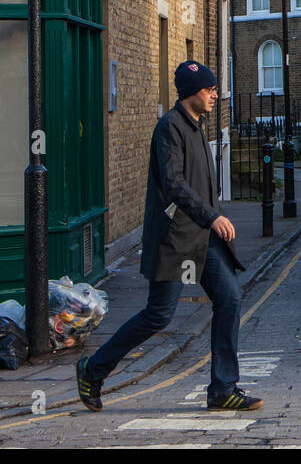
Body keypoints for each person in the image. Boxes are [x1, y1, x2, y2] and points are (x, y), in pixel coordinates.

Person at [77, 60, 263, 412]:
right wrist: (212, 217)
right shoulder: (170, 128)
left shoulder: (197, 125)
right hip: (176, 238)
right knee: (158, 315)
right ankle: (93, 368)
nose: (214, 94)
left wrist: (212, 216)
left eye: (213, 89)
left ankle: (223, 388)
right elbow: (175, 183)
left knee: (230, 299)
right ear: (191, 92)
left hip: (203, 238)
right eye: (209, 89)